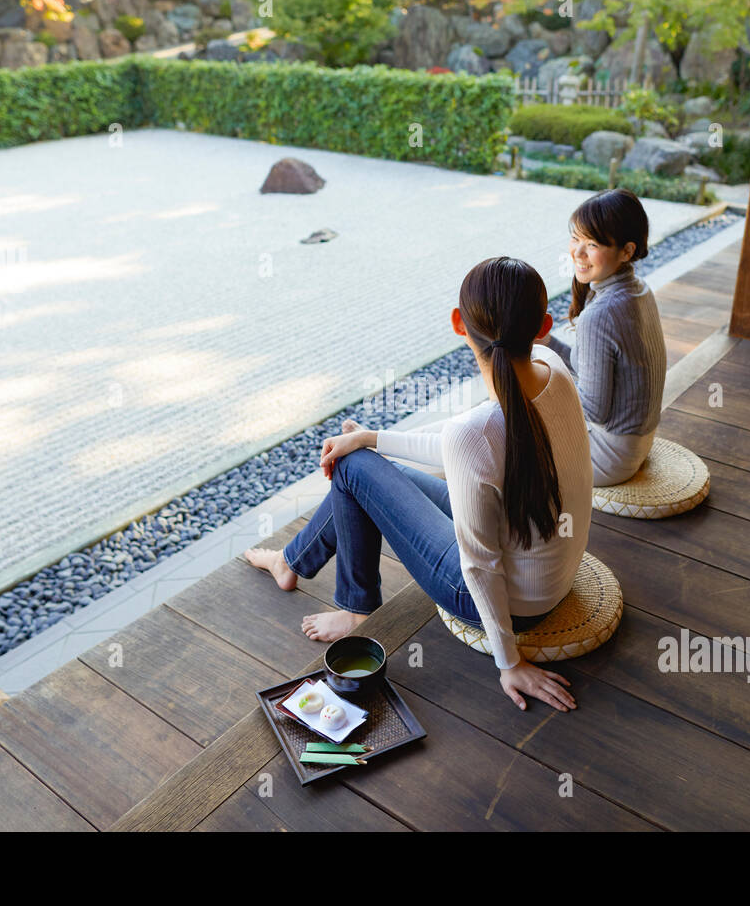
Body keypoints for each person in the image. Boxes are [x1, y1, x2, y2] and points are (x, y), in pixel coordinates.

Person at [244, 256, 593, 712]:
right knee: (363, 461)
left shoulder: (477, 431)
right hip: (547, 574)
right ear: (543, 326)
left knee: (352, 469)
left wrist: (509, 662)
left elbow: (480, 565)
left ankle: (357, 611)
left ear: (457, 324)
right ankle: (292, 562)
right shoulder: (554, 368)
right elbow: (464, 448)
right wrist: (370, 437)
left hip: (510, 599)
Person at [550, 188, 667, 486]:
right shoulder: (638, 289)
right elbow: (597, 371)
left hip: (606, 457)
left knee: (500, 435)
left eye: (592, 244)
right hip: (637, 443)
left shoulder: (600, 314)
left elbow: (593, 411)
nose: (578, 252)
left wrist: (540, 388)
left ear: (626, 251)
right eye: (576, 238)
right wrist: (547, 344)